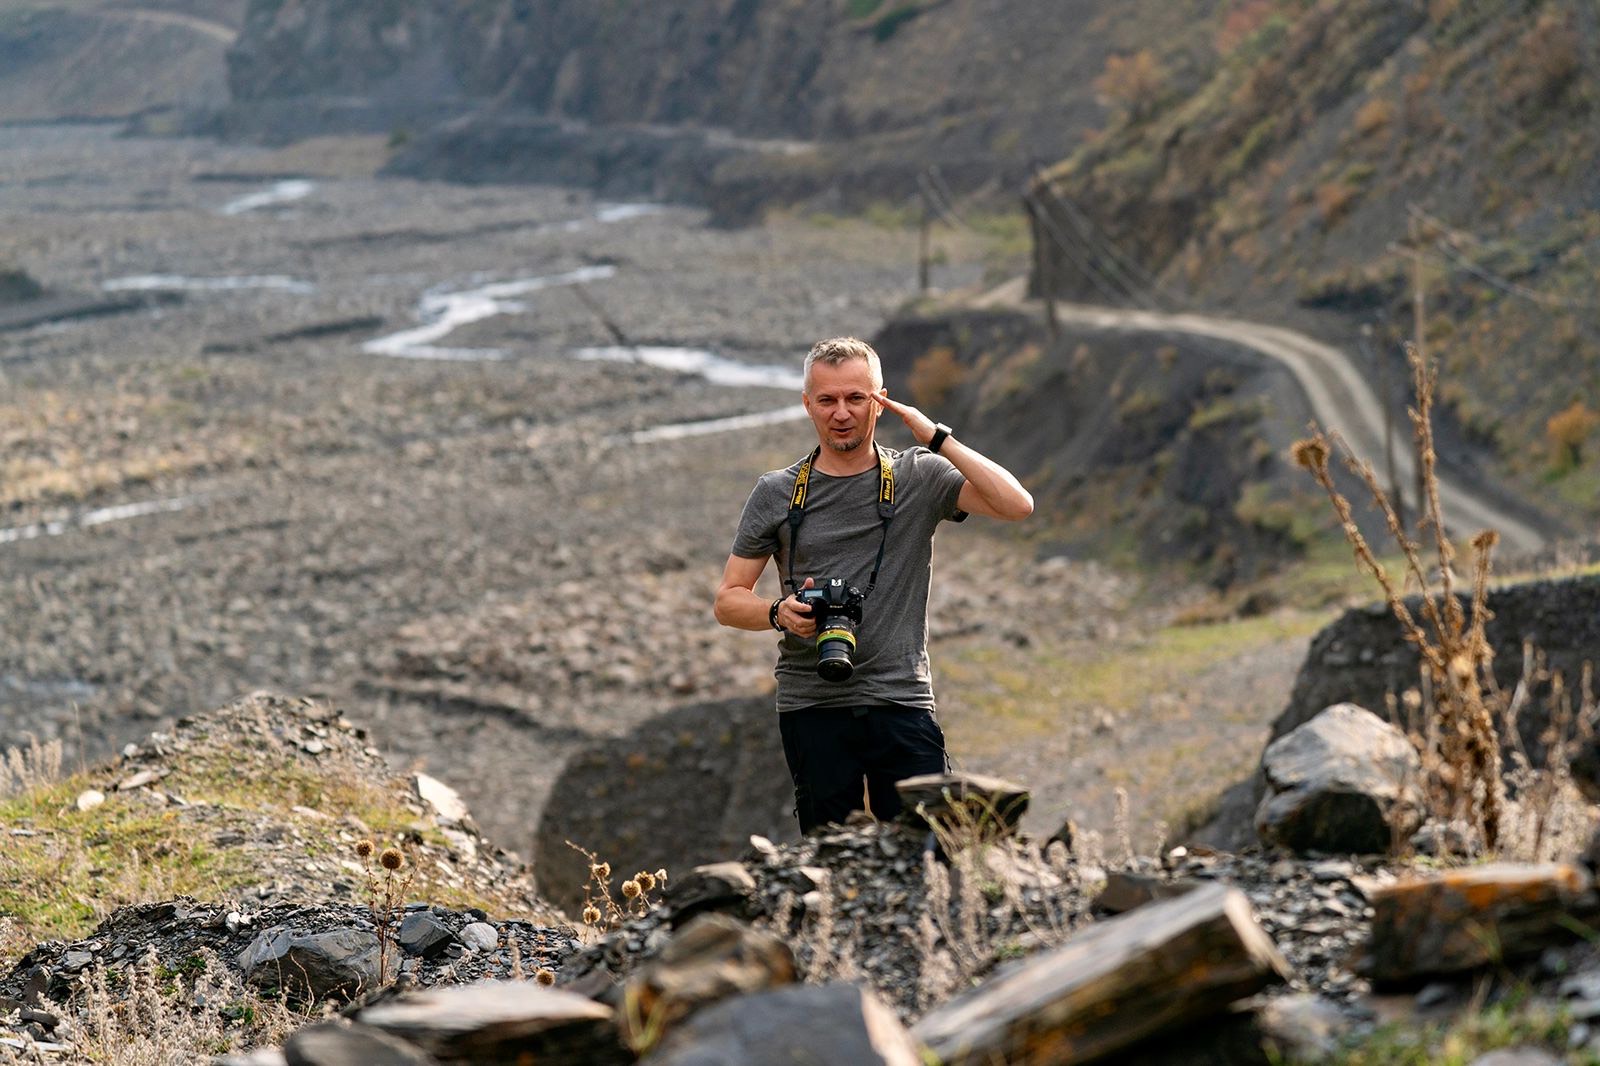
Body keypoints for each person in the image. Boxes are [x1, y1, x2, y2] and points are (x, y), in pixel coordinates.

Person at [714, 336, 1033, 833]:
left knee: (928, 847)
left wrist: (936, 437)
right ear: (807, 404)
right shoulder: (776, 492)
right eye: (827, 400)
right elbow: (728, 600)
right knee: (831, 855)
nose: (841, 413)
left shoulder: (918, 476)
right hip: (811, 701)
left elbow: (1018, 505)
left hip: (900, 697)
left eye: (855, 398)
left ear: (879, 402)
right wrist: (778, 613)